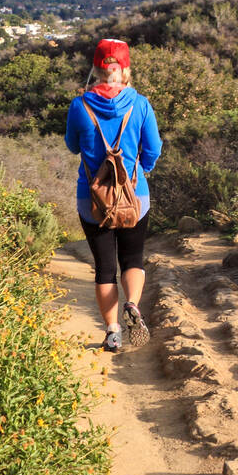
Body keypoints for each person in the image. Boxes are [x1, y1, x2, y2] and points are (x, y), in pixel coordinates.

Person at [64, 38, 163, 352]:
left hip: (92, 199)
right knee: (132, 259)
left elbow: (71, 145)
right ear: (126, 70)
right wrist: (138, 173)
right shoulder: (141, 104)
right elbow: (154, 150)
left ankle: (112, 331)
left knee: (105, 267)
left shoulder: (80, 106)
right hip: (136, 197)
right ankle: (132, 304)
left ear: (96, 69)